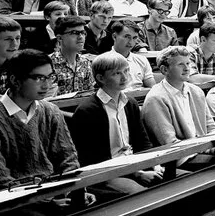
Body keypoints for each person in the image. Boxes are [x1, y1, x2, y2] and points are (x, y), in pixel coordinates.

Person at [0, 51, 82, 216]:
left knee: (104, 209)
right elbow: (0, 181)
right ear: (16, 81)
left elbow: (68, 158)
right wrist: (49, 201)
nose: (47, 85)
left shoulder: (51, 111)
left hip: (52, 195)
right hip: (9, 206)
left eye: (50, 77)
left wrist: (74, 192)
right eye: (39, 78)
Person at [68, 51, 162, 198]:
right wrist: (138, 173)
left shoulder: (130, 103)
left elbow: (143, 141)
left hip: (134, 165)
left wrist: (154, 164)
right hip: (106, 173)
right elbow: (92, 159)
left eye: (126, 71)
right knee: (143, 196)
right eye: (117, 73)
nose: (125, 77)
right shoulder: (88, 110)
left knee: (178, 180)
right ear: (100, 78)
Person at [141, 46, 215, 150]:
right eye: (180, 64)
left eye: (188, 63)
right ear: (164, 69)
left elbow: (211, 127)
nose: (187, 68)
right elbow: (169, 142)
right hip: (179, 157)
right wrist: (211, 151)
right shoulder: (155, 98)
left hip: (204, 149)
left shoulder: (197, 91)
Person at [47, 16, 94, 94]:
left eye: (83, 33)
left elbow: (90, 92)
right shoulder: (48, 64)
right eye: (74, 33)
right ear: (59, 38)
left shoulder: (86, 63)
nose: (81, 37)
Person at [109, 19, 156, 89]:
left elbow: (152, 87)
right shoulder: (104, 61)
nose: (131, 42)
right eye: (127, 37)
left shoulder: (142, 60)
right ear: (114, 37)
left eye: (134, 38)